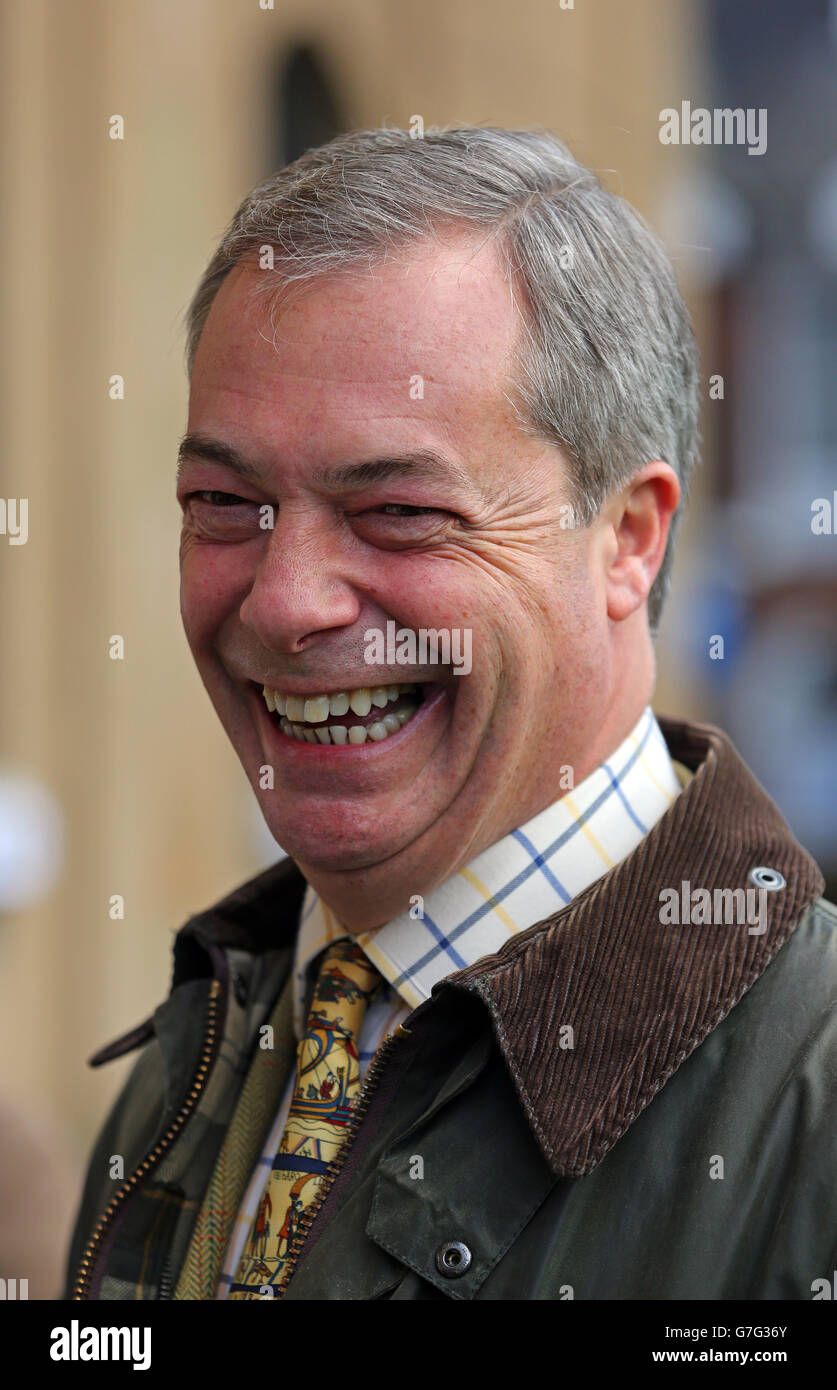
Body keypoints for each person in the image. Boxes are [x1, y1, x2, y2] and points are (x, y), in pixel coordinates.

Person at [63, 126, 836, 1302]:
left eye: (401, 513)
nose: (284, 601)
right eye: (225, 502)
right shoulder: (203, 1044)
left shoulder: (809, 1112)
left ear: (627, 539)